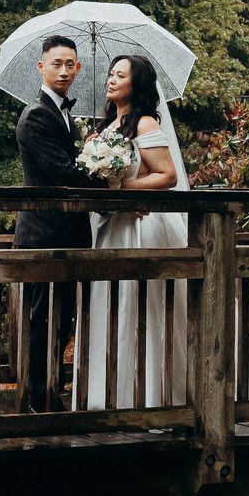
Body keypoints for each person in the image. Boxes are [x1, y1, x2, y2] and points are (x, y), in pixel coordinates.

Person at [79, 53, 192, 409]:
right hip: (111, 226)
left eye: (120, 75)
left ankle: (152, 396)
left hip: (141, 227)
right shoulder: (102, 128)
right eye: (110, 74)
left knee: (143, 306)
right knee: (112, 304)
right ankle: (109, 394)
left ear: (136, 84)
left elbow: (168, 175)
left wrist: (126, 191)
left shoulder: (144, 124)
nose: (111, 80)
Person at [12, 34, 90, 411]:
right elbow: (61, 172)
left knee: (62, 318)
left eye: (70, 64)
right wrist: (105, 175)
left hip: (66, 232)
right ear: (41, 67)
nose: (64, 70)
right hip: (43, 232)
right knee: (43, 318)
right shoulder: (36, 115)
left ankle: (50, 391)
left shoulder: (65, 114)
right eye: (56, 63)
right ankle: (37, 399)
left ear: (77, 68)